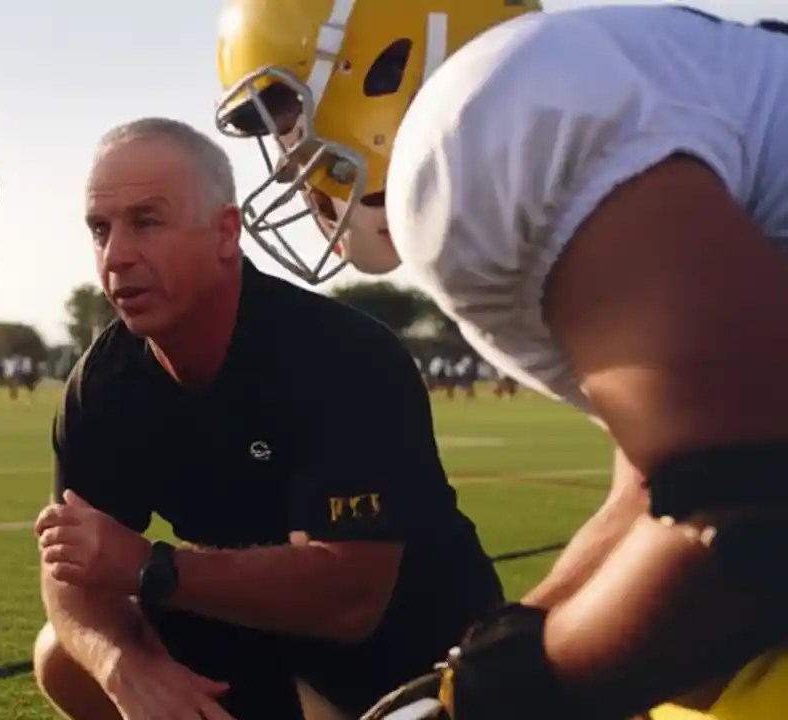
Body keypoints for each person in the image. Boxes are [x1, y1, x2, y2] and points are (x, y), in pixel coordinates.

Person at [213, 1, 788, 718]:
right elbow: (652, 489)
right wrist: (472, 670)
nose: (287, 158)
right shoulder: (583, 85)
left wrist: (510, 695)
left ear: (388, 57)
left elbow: (745, 514)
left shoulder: (482, 115)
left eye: (284, 108)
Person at [31, 117, 504, 720]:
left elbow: (351, 599)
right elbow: (69, 570)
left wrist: (153, 566)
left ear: (226, 232)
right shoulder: (105, 381)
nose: (116, 255)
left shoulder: (340, 355)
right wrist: (125, 667)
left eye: (147, 222)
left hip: (409, 645)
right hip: (250, 634)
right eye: (101, 230)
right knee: (67, 656)